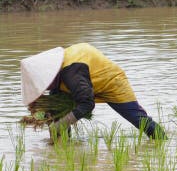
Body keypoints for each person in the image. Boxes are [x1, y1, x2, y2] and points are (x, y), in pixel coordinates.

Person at [21, 43, 166, 140]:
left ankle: (161, 139)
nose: (45, 88)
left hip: (111, 82)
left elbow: (87, 104)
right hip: (84, 79)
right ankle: (63, 146)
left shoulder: (72, 73)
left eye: (45, 84)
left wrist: (60, 125)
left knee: (137, 118)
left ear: (50, 75)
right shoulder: (58, 71)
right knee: (57, 112)